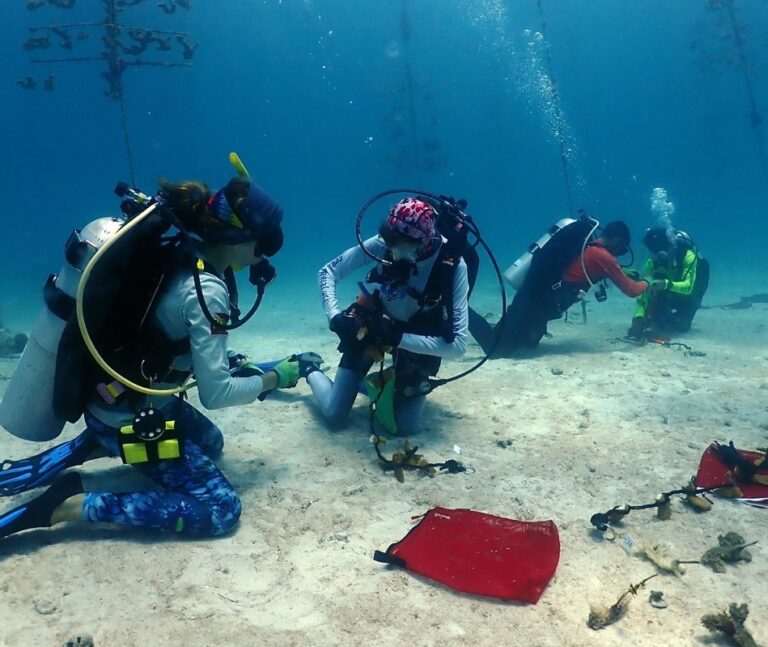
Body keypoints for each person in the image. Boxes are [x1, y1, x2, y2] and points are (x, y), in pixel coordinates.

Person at [0, 175, 317, 541]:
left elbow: (177, 344)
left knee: (212, 443)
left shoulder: (181, 254)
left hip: (121, 400)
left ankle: (96, 442)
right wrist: (275, 378)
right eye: (265, 241)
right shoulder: (206, 292)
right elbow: (216, 394)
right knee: (221, 510)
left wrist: (246, 365)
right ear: (239, 239)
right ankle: (66, 505)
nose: (268, 251)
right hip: (128, 416)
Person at [307, 197, 469, 435]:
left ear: (423, 242)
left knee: (405, 428)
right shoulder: (384, 243)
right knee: (334, 413)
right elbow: (327, 271)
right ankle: (307, 367)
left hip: (418, 337)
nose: (391, 250)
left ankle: (382, 385)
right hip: (373, 325)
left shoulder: (453, 266)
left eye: (399, 244)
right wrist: (334, 316)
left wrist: (397, 338)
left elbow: (459, 346)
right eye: (390, 240)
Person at [470, 220, 649, 356]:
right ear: (617, 241)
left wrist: (622, 272)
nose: (618, 254)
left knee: (528, 344)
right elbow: (632, 290)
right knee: (495, 349)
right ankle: (459, 309)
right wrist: (647, 281)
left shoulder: (590, 249)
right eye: (621, 249)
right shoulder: (603, 257)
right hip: (533, 304)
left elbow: (592, 269)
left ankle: (502, 327)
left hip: (537, 302)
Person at [627, 227, 709, 339]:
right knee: (659, 321)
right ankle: (665, 314)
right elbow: (643, 287)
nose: (656, 256)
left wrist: (666, 284)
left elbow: (688, 287)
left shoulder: (688, 256)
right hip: (669, 291)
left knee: (682, 326)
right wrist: (639, 316)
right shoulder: (652, 260)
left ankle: (684, 312)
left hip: (690, 294)